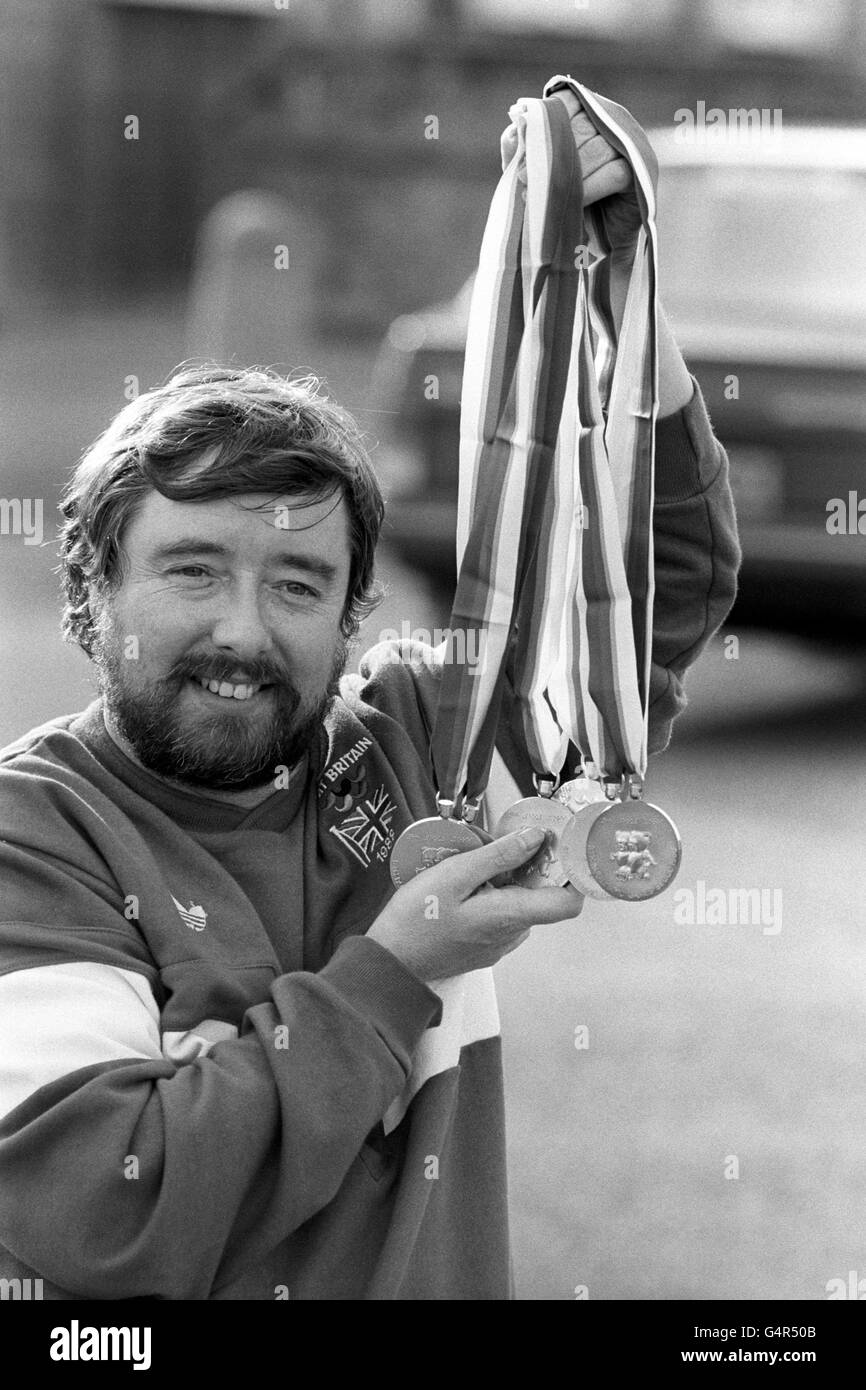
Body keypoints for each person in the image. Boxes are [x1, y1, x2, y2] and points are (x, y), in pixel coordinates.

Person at [0, 91, 740, 1300]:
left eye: (298, 583)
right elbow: (104, 1205)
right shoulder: (34, 833)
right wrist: (396, 969)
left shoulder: (412, 739)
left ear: (353, 618)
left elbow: (639, 601)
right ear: (89, 593)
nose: (242, 630)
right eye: (193, 571)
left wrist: (621, 312)